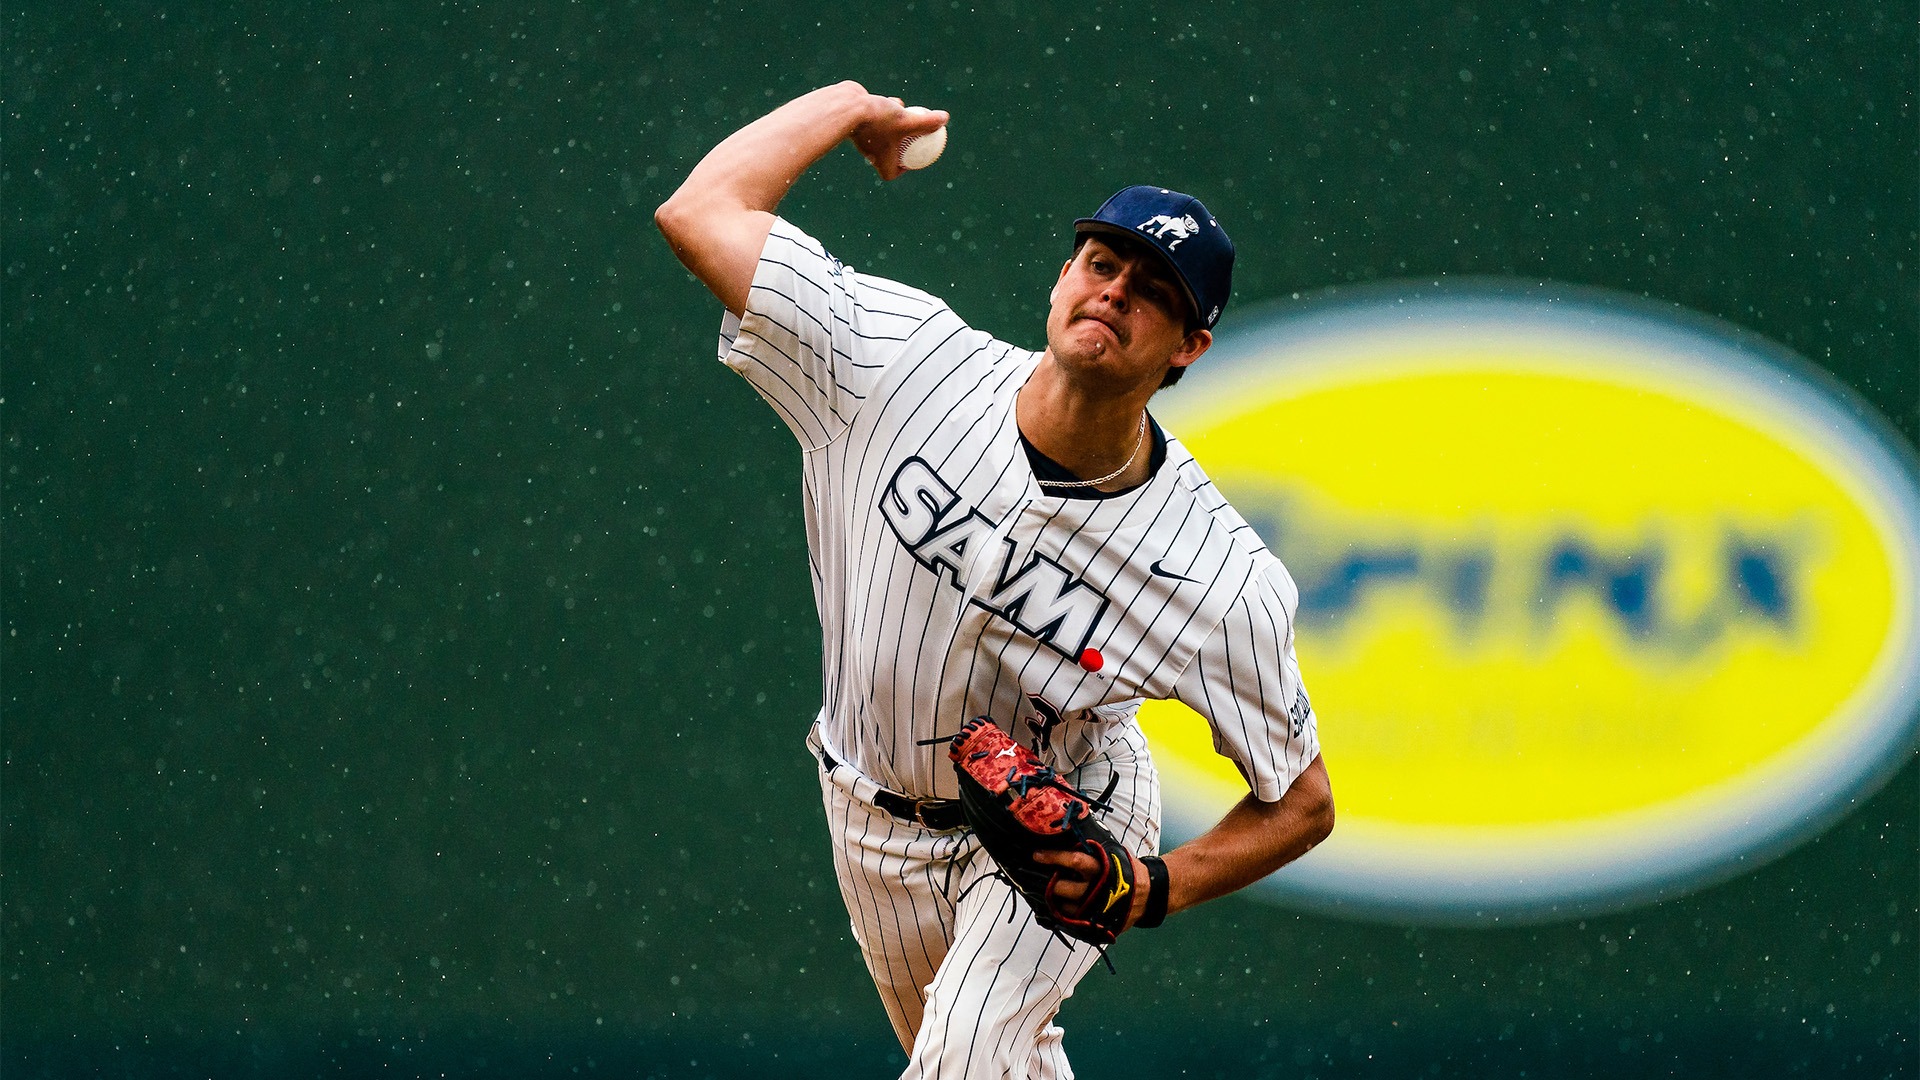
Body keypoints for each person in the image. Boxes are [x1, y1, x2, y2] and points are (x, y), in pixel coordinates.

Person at [656, 81, 1333, 1079]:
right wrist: (848, 107)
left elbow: (1302, 802)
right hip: (866, 810)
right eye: (1104, 263)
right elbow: (701, 212)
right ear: (1062, 280)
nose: (1115, 291)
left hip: (1054, 829)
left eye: (1153, 290)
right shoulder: (892, 362)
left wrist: (1148, 889)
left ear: (1190, 347)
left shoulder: (1216, 575)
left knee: (962, 1068)